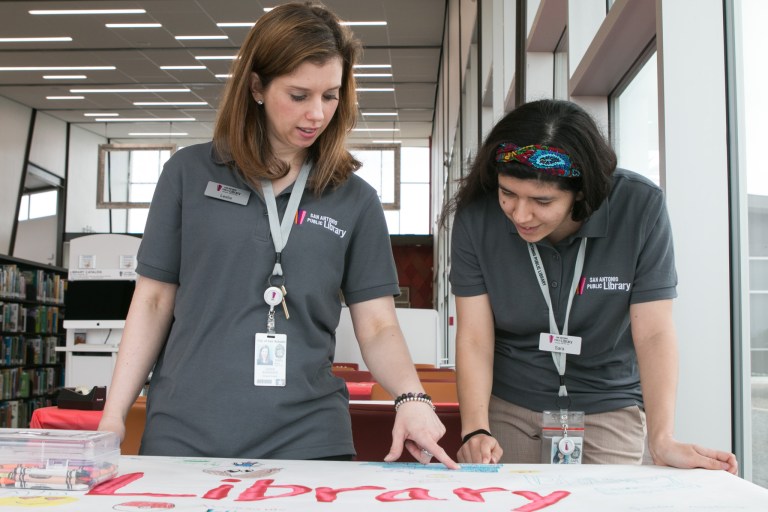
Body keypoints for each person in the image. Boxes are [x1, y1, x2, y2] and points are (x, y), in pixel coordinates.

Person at [98, 1, 458, 468]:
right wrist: (113, 416)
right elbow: (151, 302)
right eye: (299, 94)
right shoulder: (188, 174)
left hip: (310, 438)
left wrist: (412, 396)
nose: (317, 113)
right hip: (186, 432)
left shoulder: (355, 199)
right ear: (257, 87)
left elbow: (379, 324)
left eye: (331, 96)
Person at [443, 99, 737, 474]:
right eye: (508, 194)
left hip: (609, 403)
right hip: (510, 405)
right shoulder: (476, 219)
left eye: (542, 200)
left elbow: (654, 333)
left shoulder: (640, 207)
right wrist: (475, 429)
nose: (520, 214)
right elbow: (474, 336)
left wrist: (661, 438)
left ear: (580, 192)